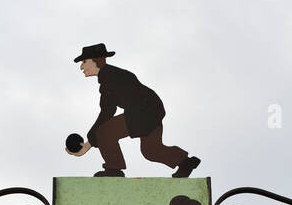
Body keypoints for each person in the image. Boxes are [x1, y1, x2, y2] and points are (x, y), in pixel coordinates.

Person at [71, 43, 200, 177]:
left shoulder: (110, 77)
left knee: (104, 132)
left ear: (96, 60)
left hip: (143, 112)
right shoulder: (110, 75)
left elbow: (107, 111)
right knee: (151, 151)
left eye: (84, 61)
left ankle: (114, 169)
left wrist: (89, 143)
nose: (81, 66)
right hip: (152, 110)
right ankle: (185, 163)